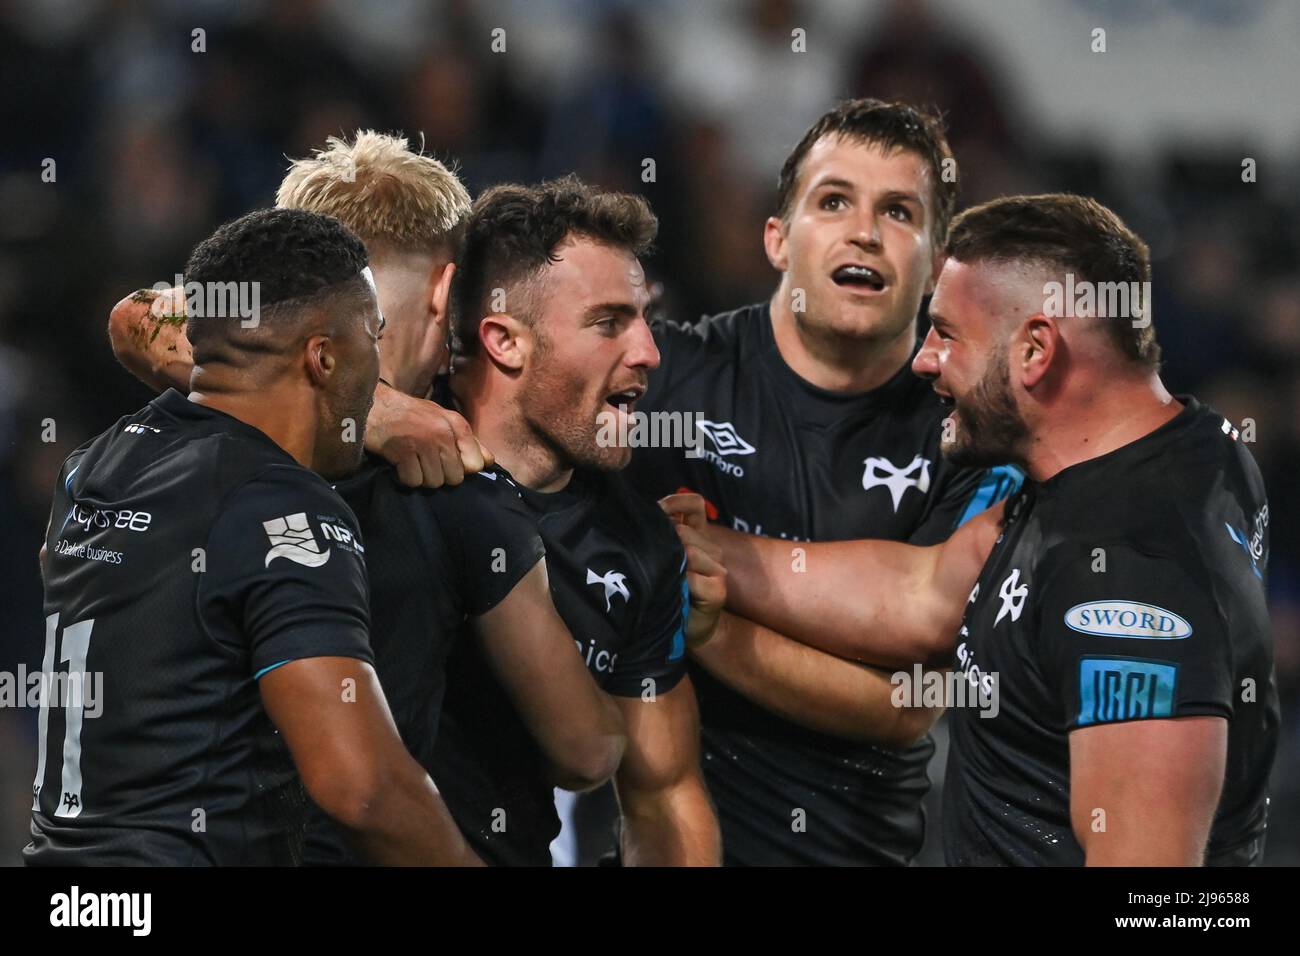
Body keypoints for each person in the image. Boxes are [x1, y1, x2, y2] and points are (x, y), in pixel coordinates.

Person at [105, 132, 628, 866]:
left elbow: (138, 318)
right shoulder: (456, 482)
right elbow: (587, 750)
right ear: (447, 291)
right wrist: (373, 409)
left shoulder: (154, 454)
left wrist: (355, 399)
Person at [713, 193, 1279, 865]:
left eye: (946, 333)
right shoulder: (1174, 449)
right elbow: (923, 593)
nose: (924, 360)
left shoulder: (1129, 576)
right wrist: (704, 553)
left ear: (1036, 350)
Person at [626, 98, 1018, 865]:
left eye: (898, 211)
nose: (864, 232)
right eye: (833, 200)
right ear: (777, 238)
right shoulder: (658, 378)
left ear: (938, 265)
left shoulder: (973, 433)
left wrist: (713, 624)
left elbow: (909, 705)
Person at [28, 208, 478, 866]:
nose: (377, 376)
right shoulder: (284, 511)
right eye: (372, 339)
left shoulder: (93, 466)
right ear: (324, 357)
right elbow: (365, 789)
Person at [430, 177, 722, 865]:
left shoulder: (641, 544)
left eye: (645, 319)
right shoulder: (370, 461)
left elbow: (664, 796)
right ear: (504, 340)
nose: (649, 352)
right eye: (609, 322)